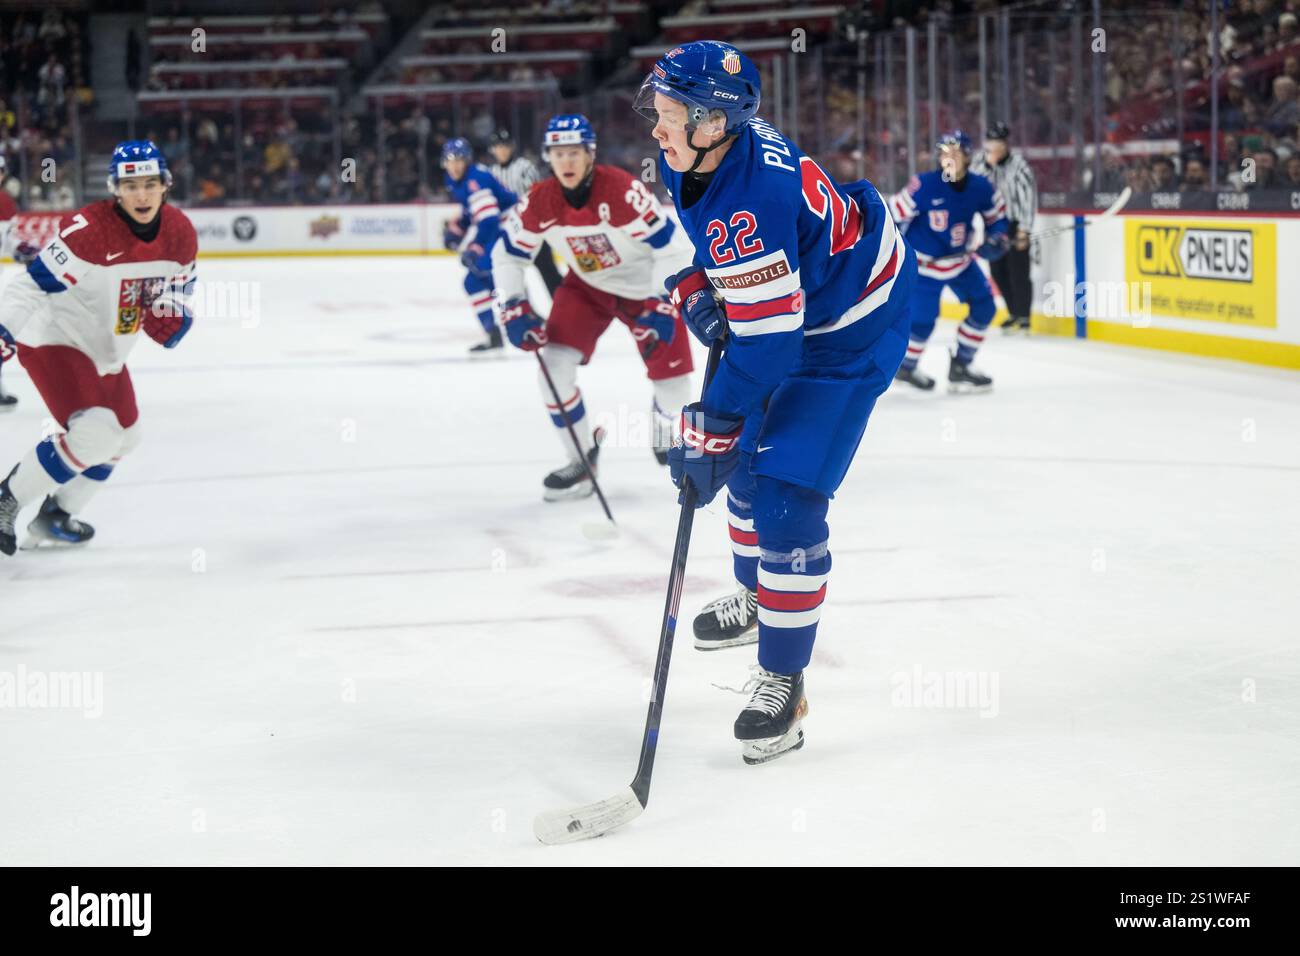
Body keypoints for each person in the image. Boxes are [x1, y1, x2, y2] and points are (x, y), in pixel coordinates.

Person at [633, 41, 916, 764]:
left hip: (854, 320)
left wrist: (711, 429)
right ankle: (760, 595)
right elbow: (703, 250)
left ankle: (784, 680)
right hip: (797, 307)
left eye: (668, 116)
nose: (656, 130)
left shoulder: (750, 199)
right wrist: (698, 290)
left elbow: (769, 348)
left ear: (712, 121)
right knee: (744, 470)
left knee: (787, 496)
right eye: (658, 113)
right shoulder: (696, 153)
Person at [0, 140, 197, 556]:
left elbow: (179, 286)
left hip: (107, 347)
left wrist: (174, 311)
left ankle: (56, 515)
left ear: (166, 185)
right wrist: (3, 328)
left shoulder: (180, 234)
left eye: (149, 183)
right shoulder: (89, 231)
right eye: (130, 185)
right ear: (115, 189)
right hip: (55, 337)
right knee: (95, 434)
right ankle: (6, 502)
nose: (140, 194)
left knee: (126, 436)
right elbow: (32, 284)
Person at [493, 114, 695, 500]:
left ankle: (662, 424)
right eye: (558, 154)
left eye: (574, 153)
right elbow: (506, 257)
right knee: (552, 368)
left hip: (644, 287)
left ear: (590, 154)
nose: (566, 162)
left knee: (674, 387)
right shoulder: (539, 201)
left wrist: (661, 303)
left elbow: (673, 248)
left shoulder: (620, 191)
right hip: (587, 288)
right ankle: (582, 460)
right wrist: (513, 305)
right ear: (547, 158)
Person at [889, 130, 1009, 391]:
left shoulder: (980, 187)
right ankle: (907, 368)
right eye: (944, 153)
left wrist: (996, 238)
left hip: (961, 264)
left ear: (967, 157)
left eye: (955, 153)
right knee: (922, 322)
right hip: (924, 268)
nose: (949, 158)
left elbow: (997, 217)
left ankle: (961, 365)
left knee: (985, 307)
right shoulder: (923, 185)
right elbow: (891, 217)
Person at [441, 138, 517, 354]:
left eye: (459, 160)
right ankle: (495, 332)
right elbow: (470, 212)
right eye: (449, 161)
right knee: (473, 281)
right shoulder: (456, 180)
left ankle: (522, 313)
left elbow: (490, 219)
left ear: (467, 161)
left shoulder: (475, 179)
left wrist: (476, 246)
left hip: (508, 227)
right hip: (499, 227)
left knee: (482, 271)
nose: (454, 165)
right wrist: (457, 231)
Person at [971, 122, 1037, 334]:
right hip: (992, 225)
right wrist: (989, 166)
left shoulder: (1019, 165)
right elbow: (972, 185)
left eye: (998, 142)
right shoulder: (981, 162)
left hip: (1014, 224)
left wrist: (1024, 230)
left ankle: (1024, 317)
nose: (994, 146)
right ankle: (1013, 313)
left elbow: (1028, 198)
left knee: (1018, 271)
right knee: (998, 271)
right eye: (990, 142)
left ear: (1006, 144)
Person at [486, 129, 563, 296]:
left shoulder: (524, 167)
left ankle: (564, 308)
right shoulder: (490, 173)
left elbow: (537, 195)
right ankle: (525, 314)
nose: (503, 150)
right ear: (492, 149)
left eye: (505, 146)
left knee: (548, 272)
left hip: (531, 229)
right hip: (506, 232)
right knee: (509, 276)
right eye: (499, 146)